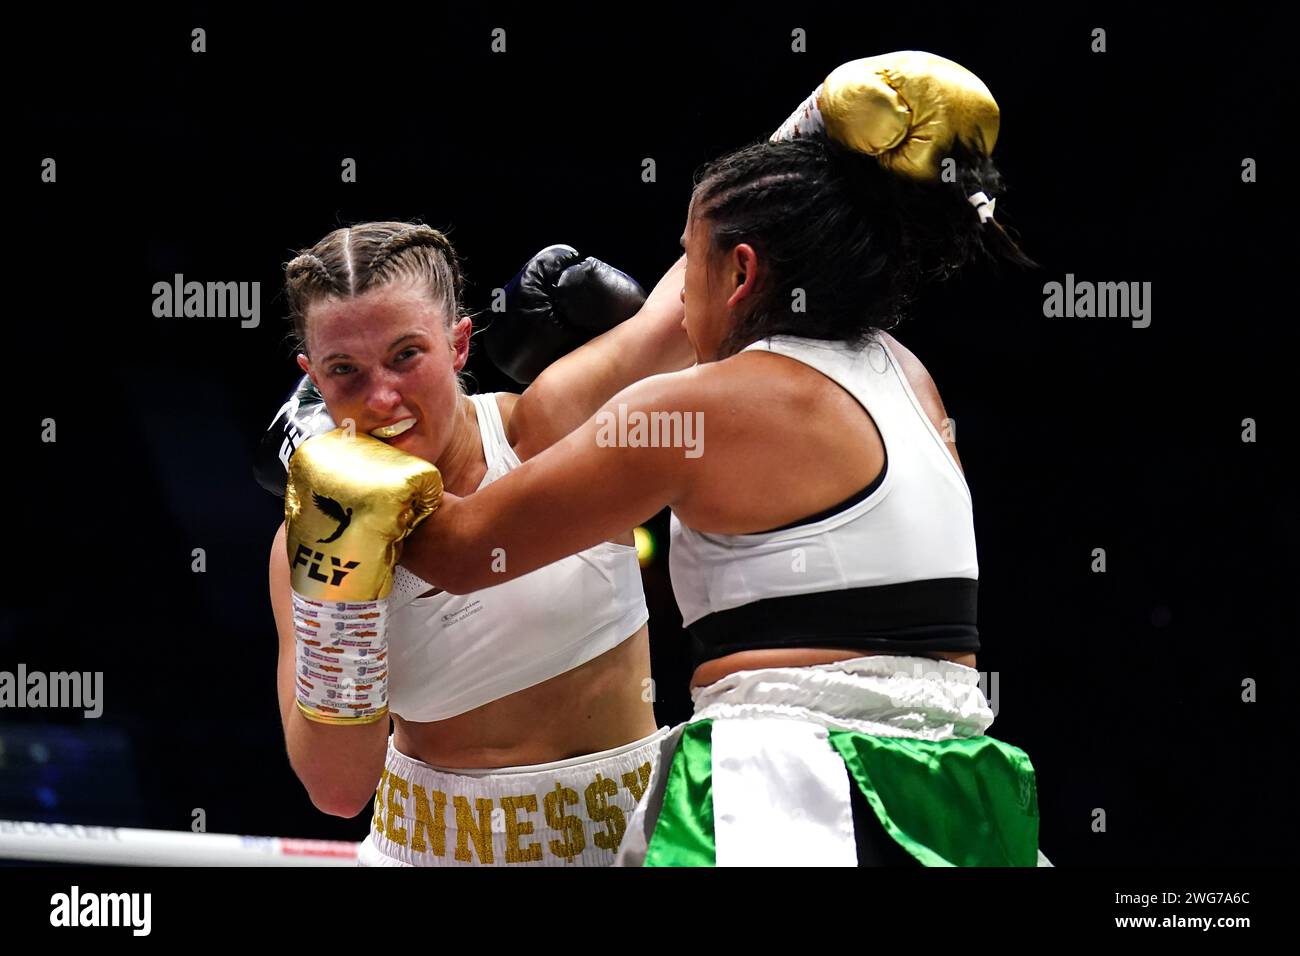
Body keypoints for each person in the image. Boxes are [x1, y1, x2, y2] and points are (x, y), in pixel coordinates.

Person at [357, 51, 1047, 865]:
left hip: (796, 794)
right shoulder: (911, 378)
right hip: (960, 802)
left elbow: (459, 551)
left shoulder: (697, 411)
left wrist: (320, 446)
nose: (677, 304)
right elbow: (746, 238)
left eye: (690, 266)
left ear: (744, 271)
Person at [267, 221, 696, 866]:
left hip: (627, 842)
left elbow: (698, 292)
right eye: (345, 370)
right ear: (313, 381)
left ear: (459, 343)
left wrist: (819, 122)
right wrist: (344, 586)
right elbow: (338, 790)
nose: (382, 398)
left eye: (406, 355)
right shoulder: (307, 542)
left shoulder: (549, 429)